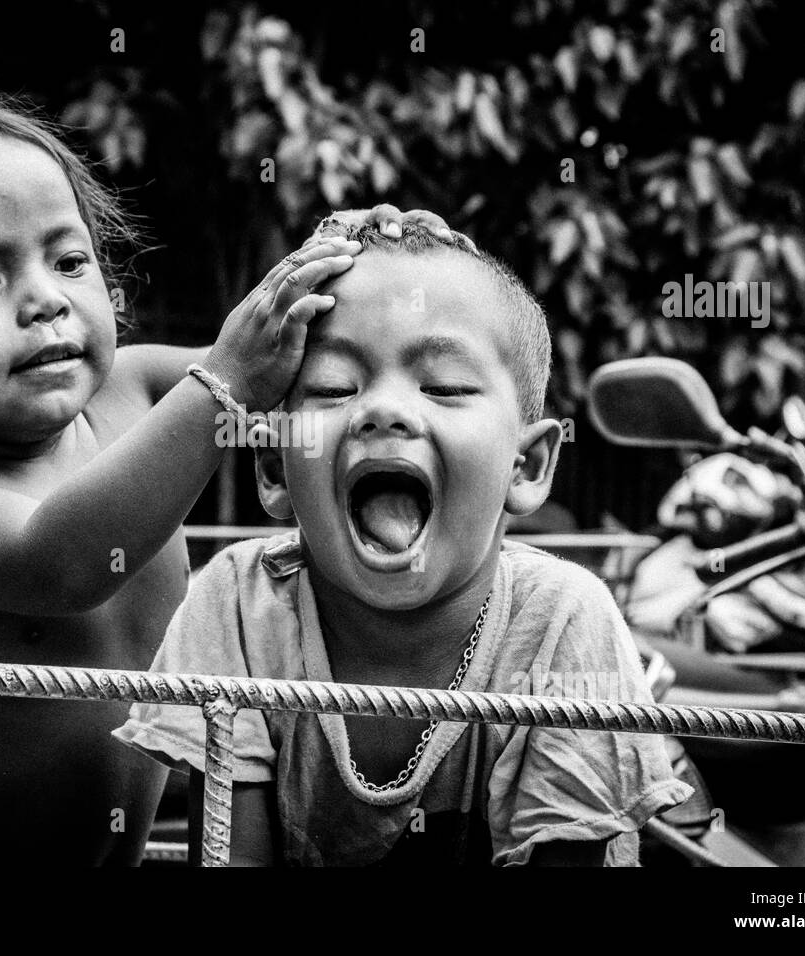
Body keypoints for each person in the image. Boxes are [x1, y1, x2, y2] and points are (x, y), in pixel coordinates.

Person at [0, 90, 376, 864]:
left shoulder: (141, 389)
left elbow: (292, 381)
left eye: (68, 260)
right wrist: (222, 383)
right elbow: (62, 565)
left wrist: (358, 263)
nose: (46, 301)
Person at [115, 222, 694, 866]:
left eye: (444, 387)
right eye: (335, 387)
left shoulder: (563, 620)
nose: (383, 411)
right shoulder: (238, 604)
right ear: (276, 469)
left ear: (525, 468)